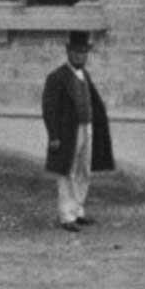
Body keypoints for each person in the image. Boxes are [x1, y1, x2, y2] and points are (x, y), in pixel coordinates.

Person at [40, 31, 114, 231]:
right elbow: (49, 109)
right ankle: (66, 215)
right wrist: (53, 136)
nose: (80, 56)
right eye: (76, 52)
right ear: (68, 52)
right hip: (68, 133)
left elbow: (94, 103)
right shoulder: (57, 78)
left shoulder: (85, 75)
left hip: (87, 128)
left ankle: (78, 210)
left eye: (84, 53)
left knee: (84, 170)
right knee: (68, 172)